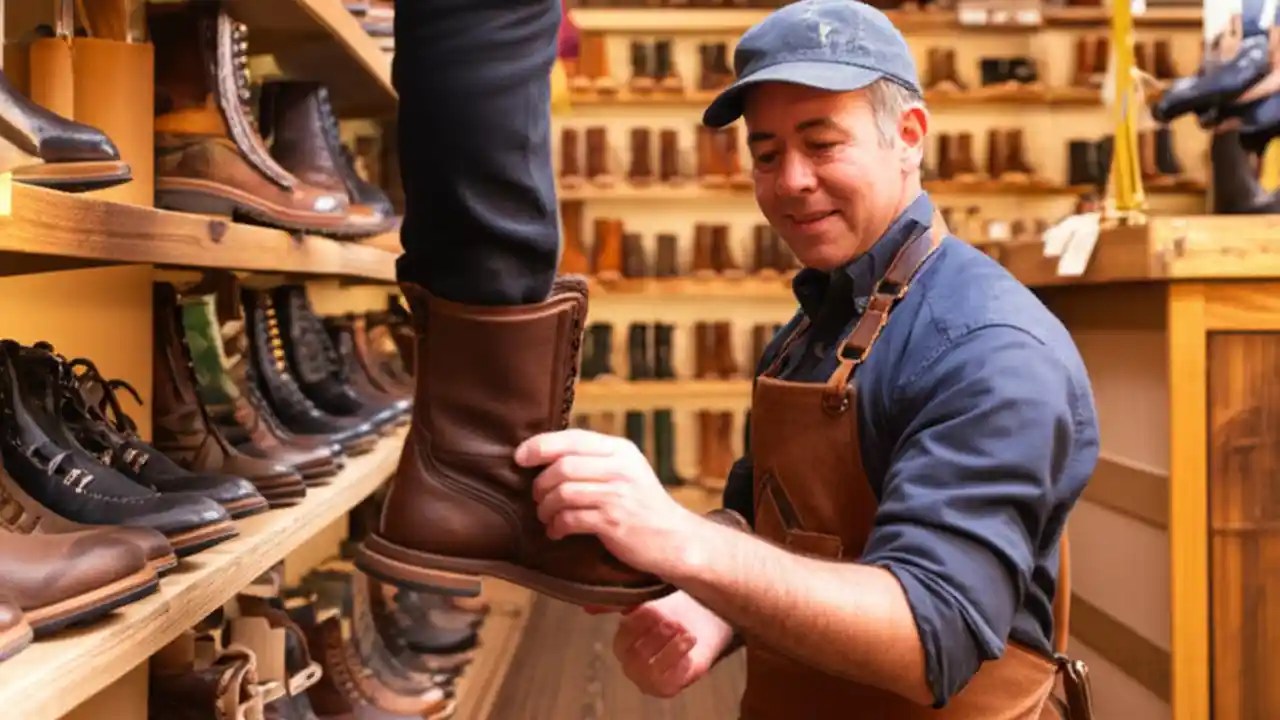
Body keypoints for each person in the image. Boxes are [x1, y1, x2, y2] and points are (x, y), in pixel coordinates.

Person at [369, 0, 1096, 716]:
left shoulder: (989, 348)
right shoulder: (817, 324)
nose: (790, 183)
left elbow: (928, 636)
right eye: (767, 153)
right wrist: (714, 608)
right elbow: (771, 530)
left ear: (909, 136)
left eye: (822, 144)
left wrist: (680, 540)